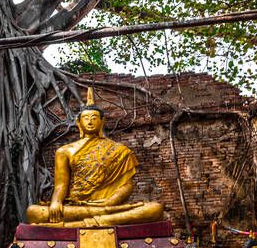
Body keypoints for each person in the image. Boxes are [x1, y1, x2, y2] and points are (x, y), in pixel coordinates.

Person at [25, 87, 164, 228]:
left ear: (102, 122)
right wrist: (56, 202)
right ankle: (105, 219)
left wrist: (110, 202)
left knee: (155, 208)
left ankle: (81, 223)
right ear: (79, 123)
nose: (90, 121)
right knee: (33, 212)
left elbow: (127, 185)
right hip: (77, 207)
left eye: (94, 118)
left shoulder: (120, 150)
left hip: (109, 206)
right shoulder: (64, 151)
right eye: (86, 118)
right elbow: (61, 185)